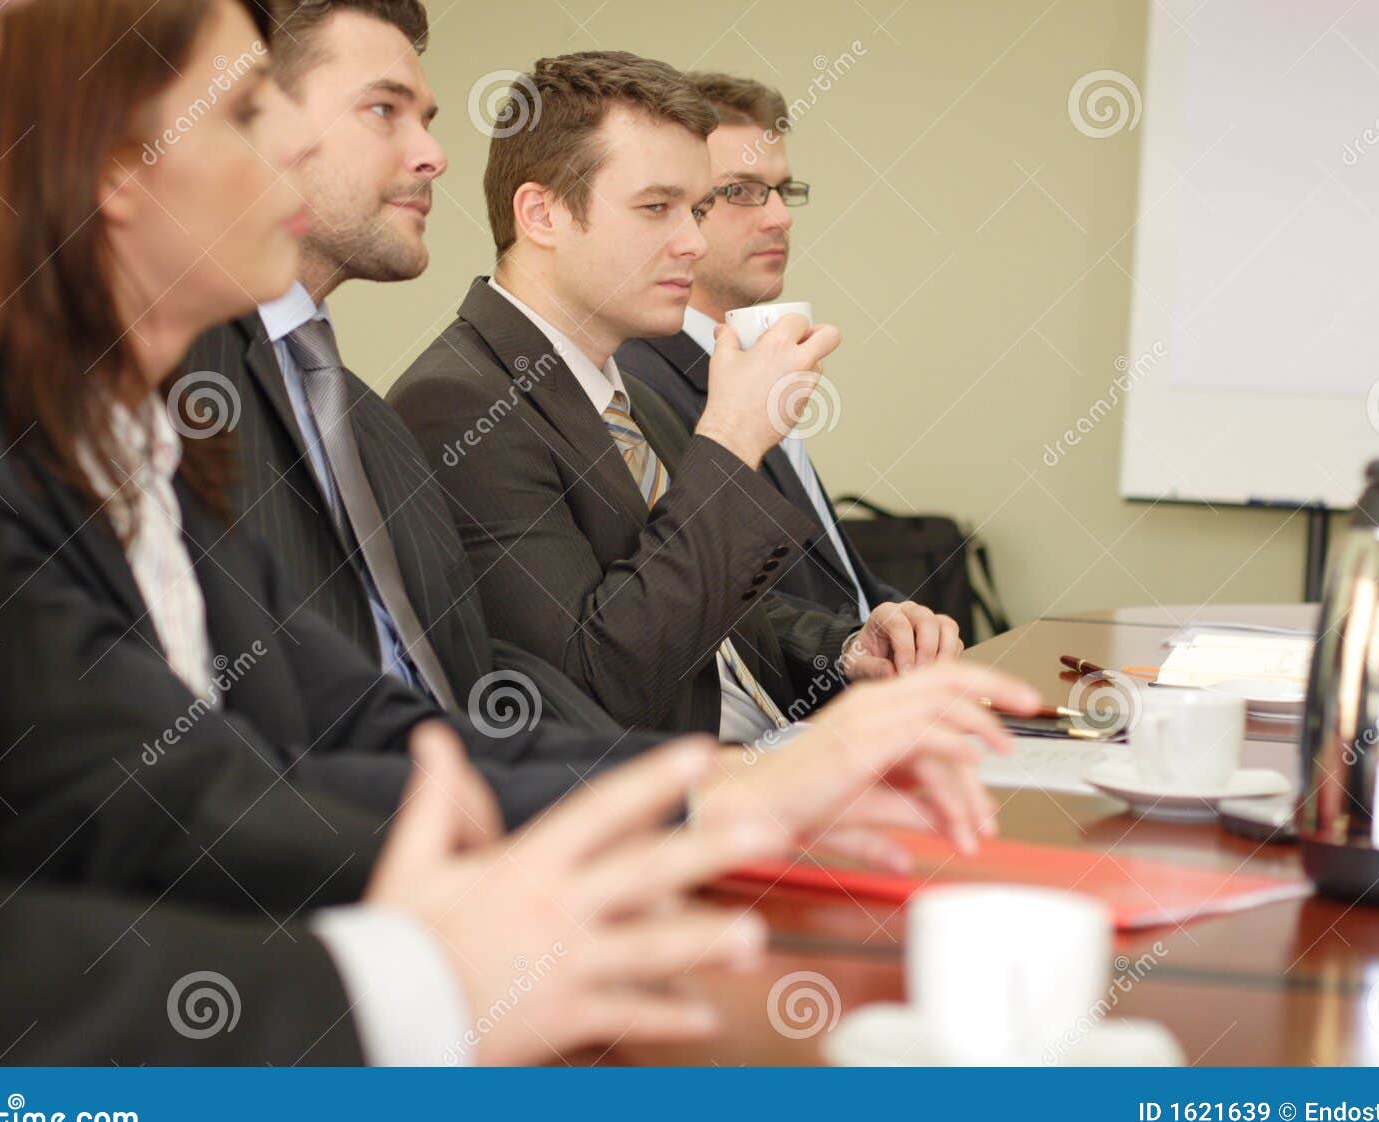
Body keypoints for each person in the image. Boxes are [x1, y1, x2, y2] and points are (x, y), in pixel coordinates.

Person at [0, 0, 1044, 1066]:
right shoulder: (409, 406)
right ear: (118, 167)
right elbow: (201, 801)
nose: (298, 148)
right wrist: (415, 972)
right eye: (251, 111)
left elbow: (304, 740)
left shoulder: (223, 433)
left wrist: (722, 789)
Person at [391, 52, 966, 740]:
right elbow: (592, 687)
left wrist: (845, 650)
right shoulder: (459, 404)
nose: (693, 242)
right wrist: (731, 440)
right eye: (656, 208)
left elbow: (721, 627)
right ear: (542, 214)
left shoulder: (630, 395)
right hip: (682, 794)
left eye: (695, 211)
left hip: (779, 755)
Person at [181, 0, 618, 732]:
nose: (434, 155)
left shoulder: (369, 423)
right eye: (383, 110)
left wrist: (684, 776)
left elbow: (461, 665)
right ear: (258, 122)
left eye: (428, 119)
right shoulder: (170, 380)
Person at [617, 72, 909, 622]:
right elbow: (700, 605)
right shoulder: (634, 385)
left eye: (782, 190)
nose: (780, 217)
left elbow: (831, 577)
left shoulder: (756, 359)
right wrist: (850, 648)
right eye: (741, 191)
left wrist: (897, 619)